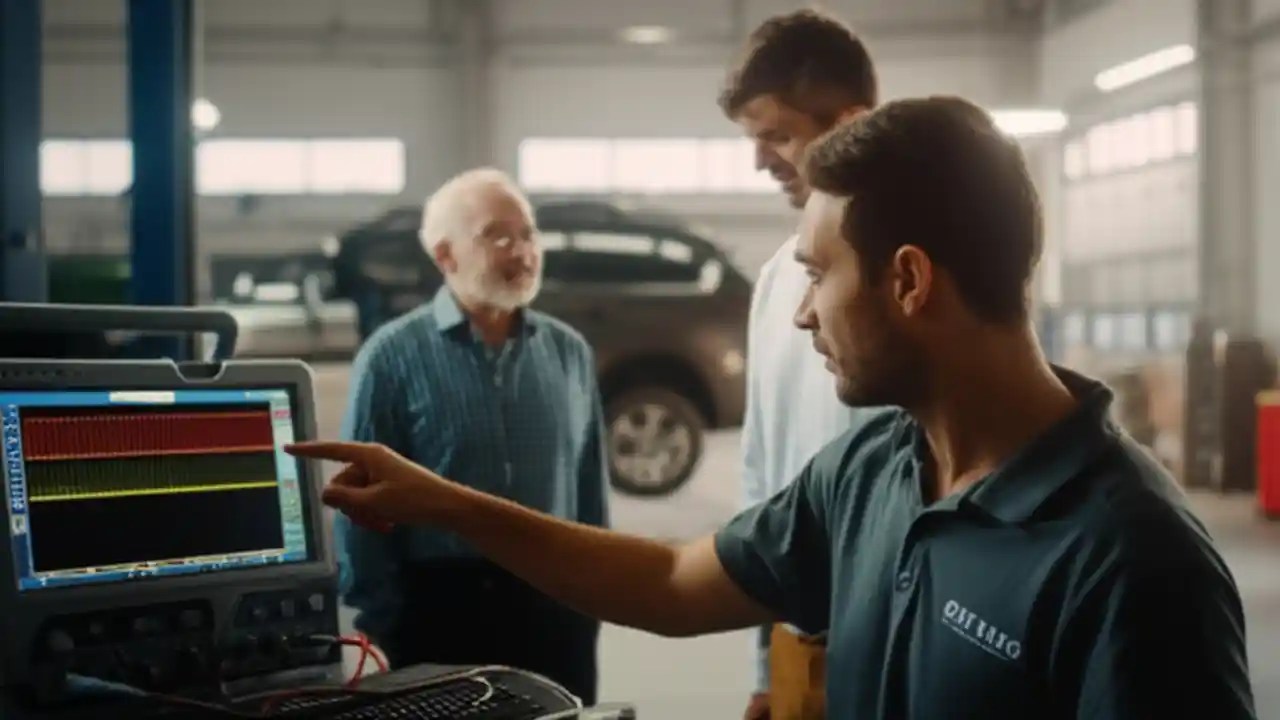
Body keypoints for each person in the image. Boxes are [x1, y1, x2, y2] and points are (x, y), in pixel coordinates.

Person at [294, 99, 1257, 719]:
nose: (799, 312)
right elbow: (674, 580)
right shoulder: (877, 465)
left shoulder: (1133, 563)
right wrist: (448, 504)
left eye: (816, 274)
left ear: (910, 281)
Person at [335, 168, 609, 704]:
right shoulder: (390, 357)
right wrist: (385, 624)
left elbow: (588, 493)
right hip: (439, 614)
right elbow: (359, 509)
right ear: (445, 255)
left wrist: (591, 599)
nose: (522, 250)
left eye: (528, 234)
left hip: (554, 606)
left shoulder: (568, 351)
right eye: (497, 235)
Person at [719, 10, 879, 719]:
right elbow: (761, 489)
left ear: (850, 123)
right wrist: (764, 662)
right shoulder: (777, 279)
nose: (760, 162)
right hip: (796, 641)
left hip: (886, 643)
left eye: (778, 136)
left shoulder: (913, 284)